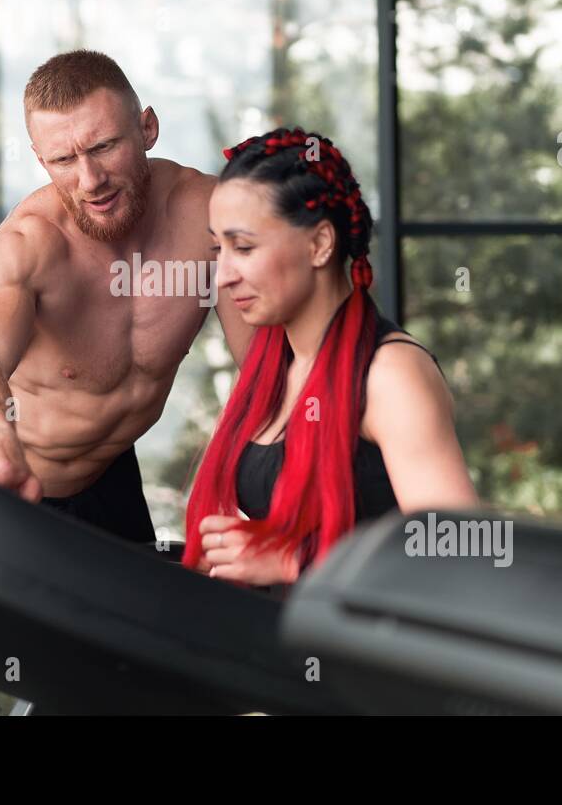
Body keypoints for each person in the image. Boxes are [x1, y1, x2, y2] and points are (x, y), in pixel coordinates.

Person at [0, 48, 253, 542]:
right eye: (63, 160)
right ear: (41, 160)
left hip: (108, 477)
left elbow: (265, 373)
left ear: (147, 129)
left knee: (141, 618)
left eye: (103, 147)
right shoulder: (28, 246)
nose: (90, 180)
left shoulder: (209, 216)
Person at [185, 127, 479, 591]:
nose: (222, 276)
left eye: (243, 248)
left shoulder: (390, 376)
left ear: (320, 244)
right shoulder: (272, 363)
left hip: (364, 658)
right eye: (217, 249)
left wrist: (296, 560)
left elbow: (461, 551)